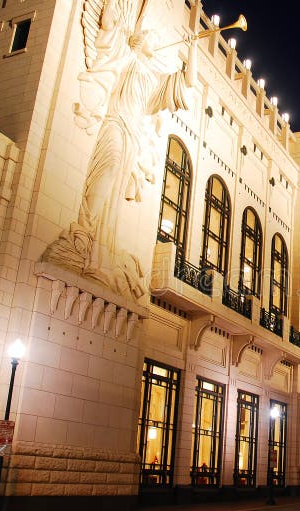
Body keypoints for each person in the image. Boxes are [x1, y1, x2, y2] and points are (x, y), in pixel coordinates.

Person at [43, 0, 197, 299]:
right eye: (150, 36)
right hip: (113, 124)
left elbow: (188, 80)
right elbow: (109, 23)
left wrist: (192, 49)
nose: (154, 39)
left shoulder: (155, 79)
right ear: (138, 41)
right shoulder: (124, 56)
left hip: (133, 135)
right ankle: (83, 232)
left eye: (153, 36)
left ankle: (100, 254)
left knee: (115, 191)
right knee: (106, 172)